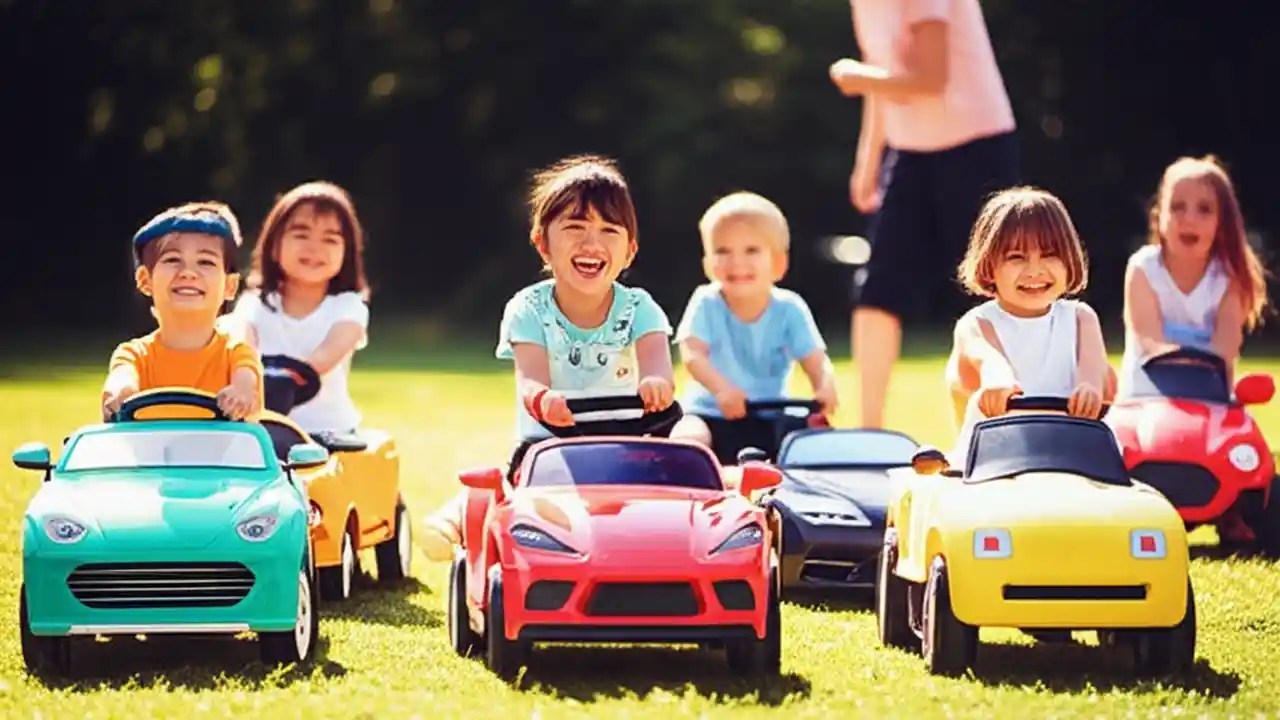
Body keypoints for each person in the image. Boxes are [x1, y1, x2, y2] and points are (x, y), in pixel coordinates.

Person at [419, 154, 677, 561]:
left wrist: (657, 385)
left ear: (629, 251)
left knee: (677, 470)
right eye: (574, 227)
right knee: (519, 496)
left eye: (608, 230)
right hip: (550, 446)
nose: (591, 244)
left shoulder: (640, 309)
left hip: (624, 444)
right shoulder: (529, 310)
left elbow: (659, 367)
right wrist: (542, 399)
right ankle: (459, 517)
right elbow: (530, 378)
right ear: (543, 243)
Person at [830, 0, 1020, 429]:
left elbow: (931, 79)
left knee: (995, 285)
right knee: (877, 288)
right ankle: (868, 432)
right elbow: (889, 77)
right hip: (910, 151)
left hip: (975, 145)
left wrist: (856, 77)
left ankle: (1011, 420)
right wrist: (869, 157)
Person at [668, 191, 838, 464]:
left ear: (779, 263)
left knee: (814, 440)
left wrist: (825, 385)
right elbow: (692, 354)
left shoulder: (789, 308)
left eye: (751, 250)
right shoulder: (706, 302)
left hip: (771, 413)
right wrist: (722, 389)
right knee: (687, 439)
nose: (737, 261)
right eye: (723, 251)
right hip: (711, 412)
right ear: (707, 263)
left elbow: (816, 360)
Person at [944, 187, 1111, 461]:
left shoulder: (1082, 319)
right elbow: (989, 361)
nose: (1034, 271)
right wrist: (999, 381)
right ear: (989, 266)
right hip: (998, 454)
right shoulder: (978, 324)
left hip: (1072, 450)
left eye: (1049, 255)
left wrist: (1089, 392)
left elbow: (1093, 377)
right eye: (1016, 257)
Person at [1117, 155, 1269, 396]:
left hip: (1209, 402)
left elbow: (1224, 351)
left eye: (1204, 210)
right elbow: (1150, 343)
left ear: (1222, 223)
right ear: (1160, 217)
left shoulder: (1228, 279)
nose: (1189, 219)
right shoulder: (1143, 269)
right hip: (1145, 401)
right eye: (1177, 208)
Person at [228, 181, 372, 435]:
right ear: (274, 245)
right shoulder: (254, 304)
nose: (314, 248)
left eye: (330, 240)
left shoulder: (349, 308)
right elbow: (240, 347)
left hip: (329, 432)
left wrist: (282, 382)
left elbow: (323, 359)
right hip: (263, 428)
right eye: (301, 235)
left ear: (346, 253)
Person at [101, 201, 263, 421]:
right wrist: (121, 392)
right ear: (144, 280)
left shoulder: (236, 353)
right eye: (173, 260)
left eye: (205, 262)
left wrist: (241, 395)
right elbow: (121, 381)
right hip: (150, 453)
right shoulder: (134, 356)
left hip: (224, 453)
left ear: (230, 286)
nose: (188, 272)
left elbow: (246, 383)